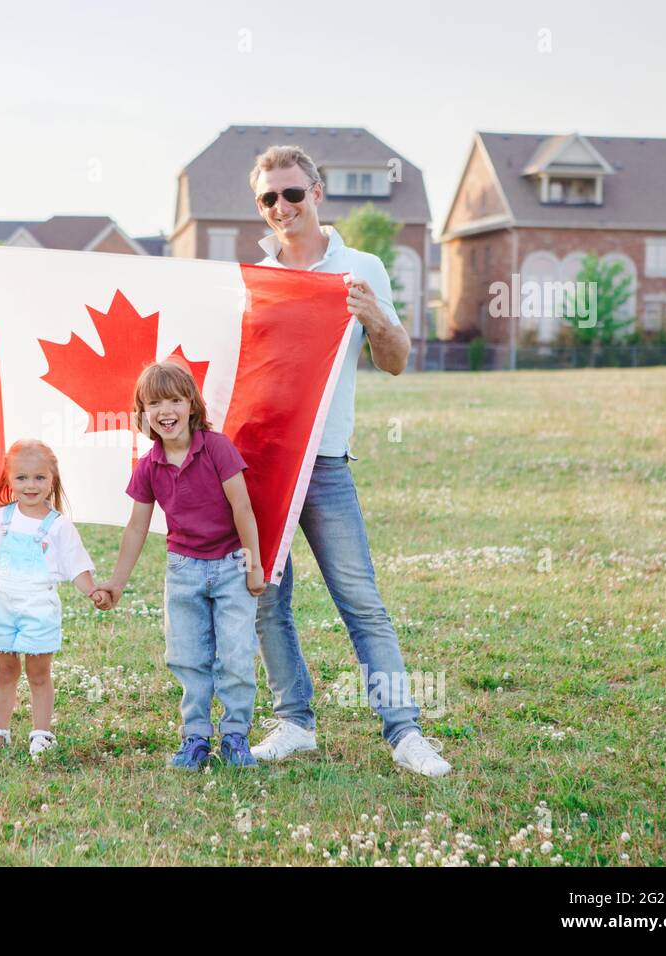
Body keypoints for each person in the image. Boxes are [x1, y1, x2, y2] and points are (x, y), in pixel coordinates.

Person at [247, 144, 450, 777]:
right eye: (269, 198)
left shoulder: (359, 267)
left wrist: (372, 318)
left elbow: (394, 359)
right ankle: (294, 723)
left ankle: (405, 732)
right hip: (262, 464)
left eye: (292, 193)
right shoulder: (254, 276)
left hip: (325, 462)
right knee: (265, 600)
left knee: (360, 601)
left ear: (317, 191)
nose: (283, 206)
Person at [93, 361, 266, 770]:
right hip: (183, 569)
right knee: (187, 655)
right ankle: (196, 738)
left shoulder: (217, 447)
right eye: (154, 402)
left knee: (236, 654)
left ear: (191, 404)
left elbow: (242, 506)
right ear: (143, 413)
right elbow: (136, 528)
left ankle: (236, 736)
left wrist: (254, 563)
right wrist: (117, 582)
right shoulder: (149, 466)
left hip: (230, 565)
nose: (165, 410)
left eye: (173, 399)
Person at [0, 440, 99, 758]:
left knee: (38, 673)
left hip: (39, 611)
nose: (30, 485)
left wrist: (93, 591)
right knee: (5, 671)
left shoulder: (58, 526)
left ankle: (42, 734)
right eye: (21, 478)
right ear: (8, 480)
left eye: (39, 478)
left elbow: (78, 566)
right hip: (3, 609)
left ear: (52, 480)